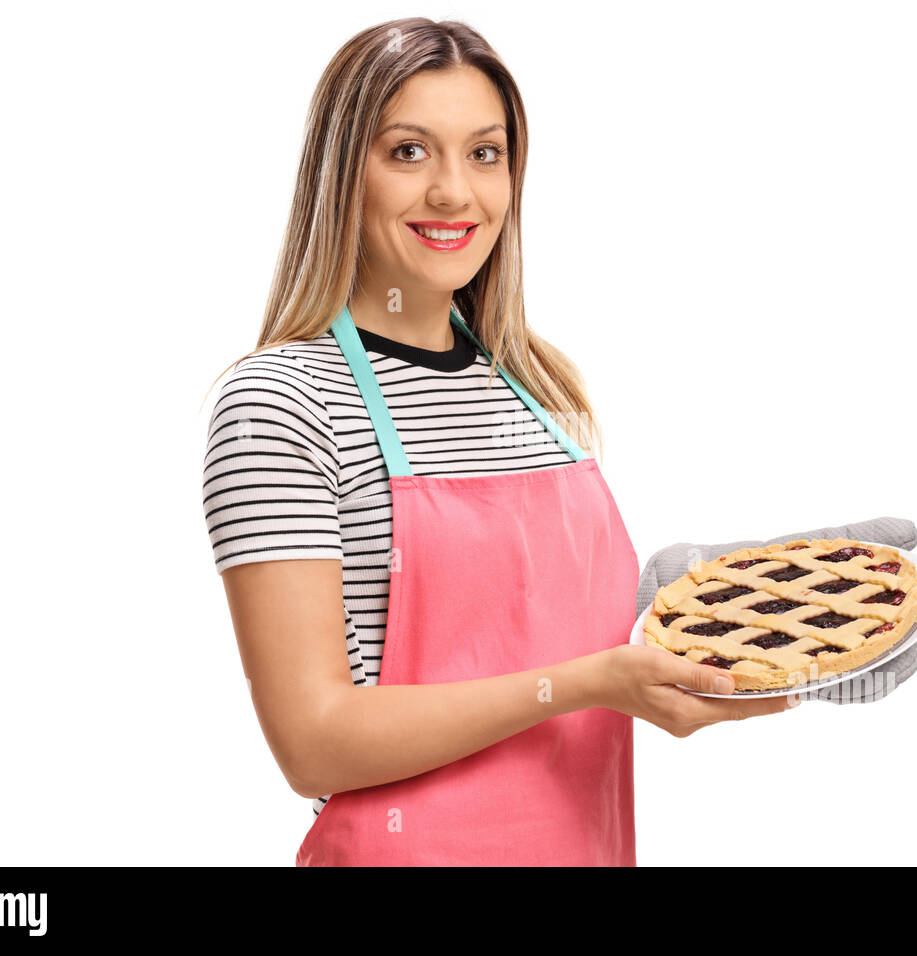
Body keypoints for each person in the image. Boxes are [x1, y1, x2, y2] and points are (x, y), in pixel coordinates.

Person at [201, 17, 797, 868]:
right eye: (408, 151)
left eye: (485, 153)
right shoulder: (283, 403)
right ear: (343, 175)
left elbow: (548, 626)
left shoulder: (530, 387)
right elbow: (314, 740)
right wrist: (590, 685)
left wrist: (743, 598)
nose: (455, 193)